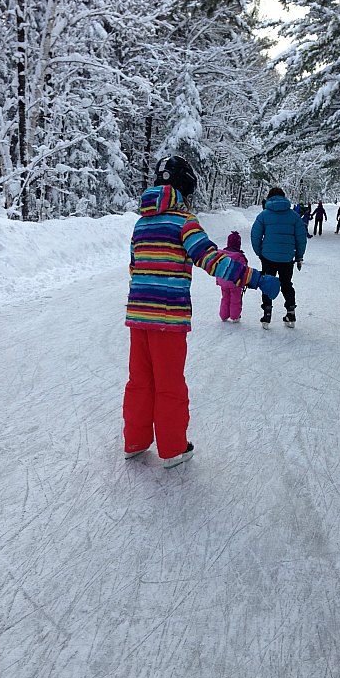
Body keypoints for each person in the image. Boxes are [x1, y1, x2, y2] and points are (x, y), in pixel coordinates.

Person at [123, 155, 280, 468]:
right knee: (169, 383)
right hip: (168, 318)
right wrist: (255, 278)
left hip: (139, 316)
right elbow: (213, 260)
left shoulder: (141, 223)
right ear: (185, 187)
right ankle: (172, 449)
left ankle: (135, 442)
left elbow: (134, 267)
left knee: (139, 380)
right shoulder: (184, 222)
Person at [250, 186, 307, 329]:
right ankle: (291, 312)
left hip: (268, 257)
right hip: (287, 258)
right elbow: (301, 238)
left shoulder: (264, 215)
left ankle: (267, 315)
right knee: (286, 284)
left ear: (269, 198)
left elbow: (255, 236)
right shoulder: (294, 216)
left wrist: (260, 253)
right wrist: (299, 256)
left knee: (267, 283)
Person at [217, 230, 248, 322]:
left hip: (223, 281)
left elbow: (218, 268)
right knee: (235, 299)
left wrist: (218, 280)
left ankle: (223, 315)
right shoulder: (240, 257)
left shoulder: (221, 254)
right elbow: (243, 271)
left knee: (225, 298)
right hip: (235, 282)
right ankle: (235, 316)